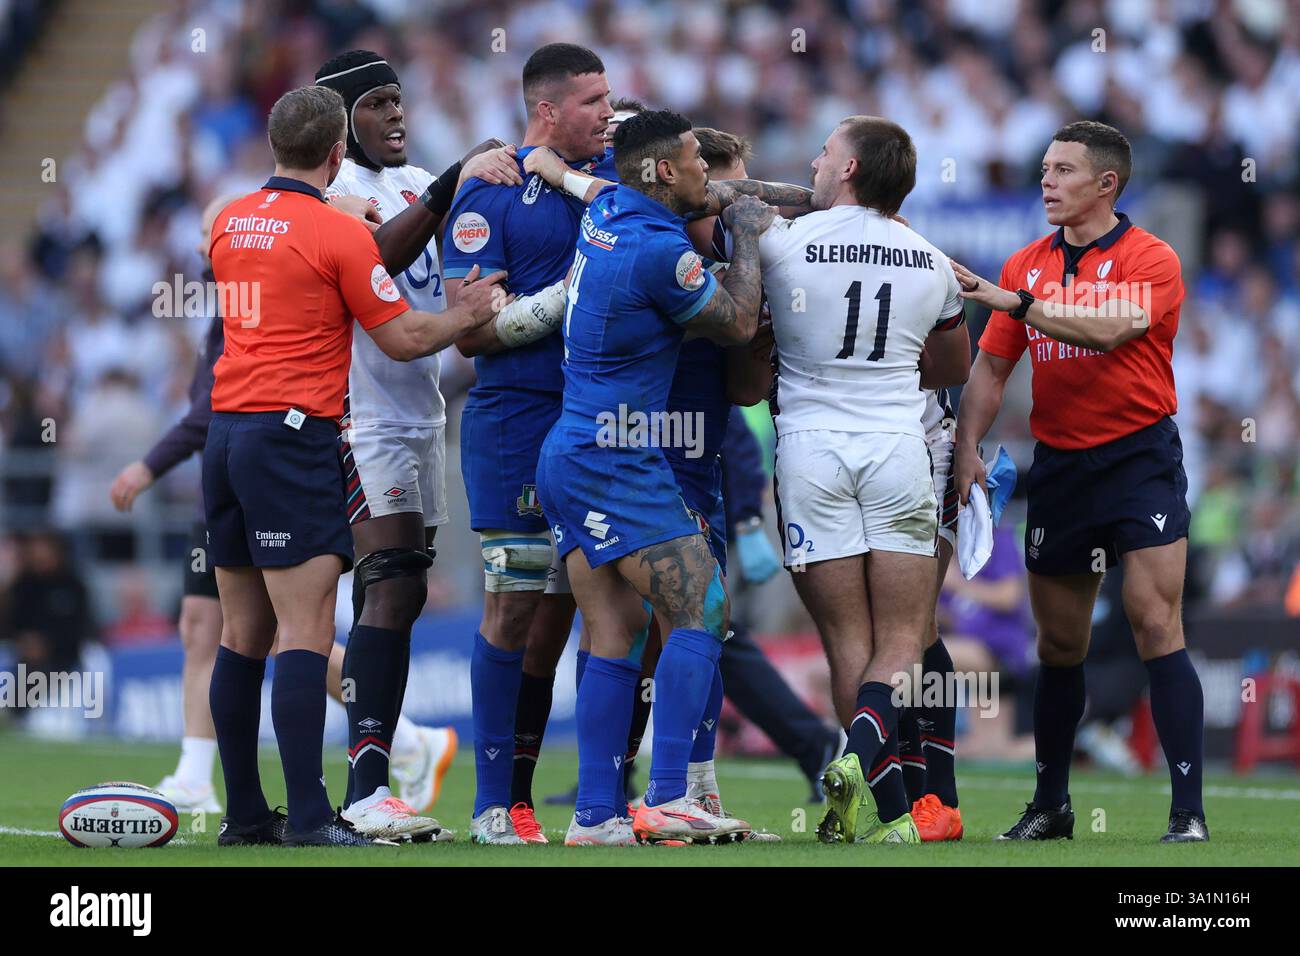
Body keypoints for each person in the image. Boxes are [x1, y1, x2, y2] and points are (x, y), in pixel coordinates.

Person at [203, 84, 506, 847]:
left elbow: (256, 231)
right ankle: (310, 817)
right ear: (337, 154)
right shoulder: (339, 235)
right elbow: (403, 339)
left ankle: (246, 814)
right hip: (293, 437)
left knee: (240, 633)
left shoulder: (230, 221)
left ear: (275, 145)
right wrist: (466, 315)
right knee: (304, 632)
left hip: (225, 436)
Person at [535, 110, 790, 845]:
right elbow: (736, 323)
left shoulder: (610, 208)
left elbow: (709, 191)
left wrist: (809, 199)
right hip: (615, 458)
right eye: (695, 160)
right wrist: (747, 238)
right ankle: (670, 795)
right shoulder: (660, 250)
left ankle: (595, 814)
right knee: (704, 605)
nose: (706, 172)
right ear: (664, 171)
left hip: (571, 451)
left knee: (614, 633)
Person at [951, 120, 1206, 842]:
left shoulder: (1150, 258)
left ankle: (1187, 814)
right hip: (1061, 464)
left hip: (1138, 459)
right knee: (1059, 646)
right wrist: (966, 447)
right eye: (1044, 168)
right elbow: (991, 371)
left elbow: (1109, 329)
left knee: (1155, 623)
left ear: (1106, 184)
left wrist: (1015, 303)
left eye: (1063, 170)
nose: (1047, 181)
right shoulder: (1026, 261)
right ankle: (1051, 806)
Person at [314, 49, 519, 838]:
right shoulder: (332, 192)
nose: (395, 113)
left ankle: (374, 779)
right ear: (342, 119)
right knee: (393, 585)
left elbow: (452, 265)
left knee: (391, 594)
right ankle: (368, 787)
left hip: (422, 411)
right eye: (376, 102)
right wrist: (454, 181)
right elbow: (375, 262)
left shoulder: (419, 181)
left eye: (398, 99)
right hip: (360, 414)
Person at [755, 116, 970, 844]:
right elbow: (952, 368)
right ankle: (867, 764)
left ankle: (886, 804)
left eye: (825, 153)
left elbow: (749, 357)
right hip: (897, 447)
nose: (814, 164)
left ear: (849, 168)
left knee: (847, 637)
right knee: (904, 634)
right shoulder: (930, 259)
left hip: (808, 450)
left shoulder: (783, 243)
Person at [440, 42, 616, 845]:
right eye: (592, 101)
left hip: (606, 422)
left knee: (587, 613)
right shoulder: (492, 191)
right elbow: (471, 331)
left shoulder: (615, 183)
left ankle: (592, 802)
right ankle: (493, 804)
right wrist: (566, 295)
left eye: (609, 98)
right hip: (518, 418)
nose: (607, 113)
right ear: (547, 109)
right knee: (514, 608)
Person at [109, 192, 236, 816]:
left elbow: (209, 412)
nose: (198, 245)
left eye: (208, 232)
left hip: (244, 487)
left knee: (271, 636)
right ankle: (194, 774)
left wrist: (147, 465)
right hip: (219, 491)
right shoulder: (225, 302)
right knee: (199, 627)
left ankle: (403, 738)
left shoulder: (248, 303)